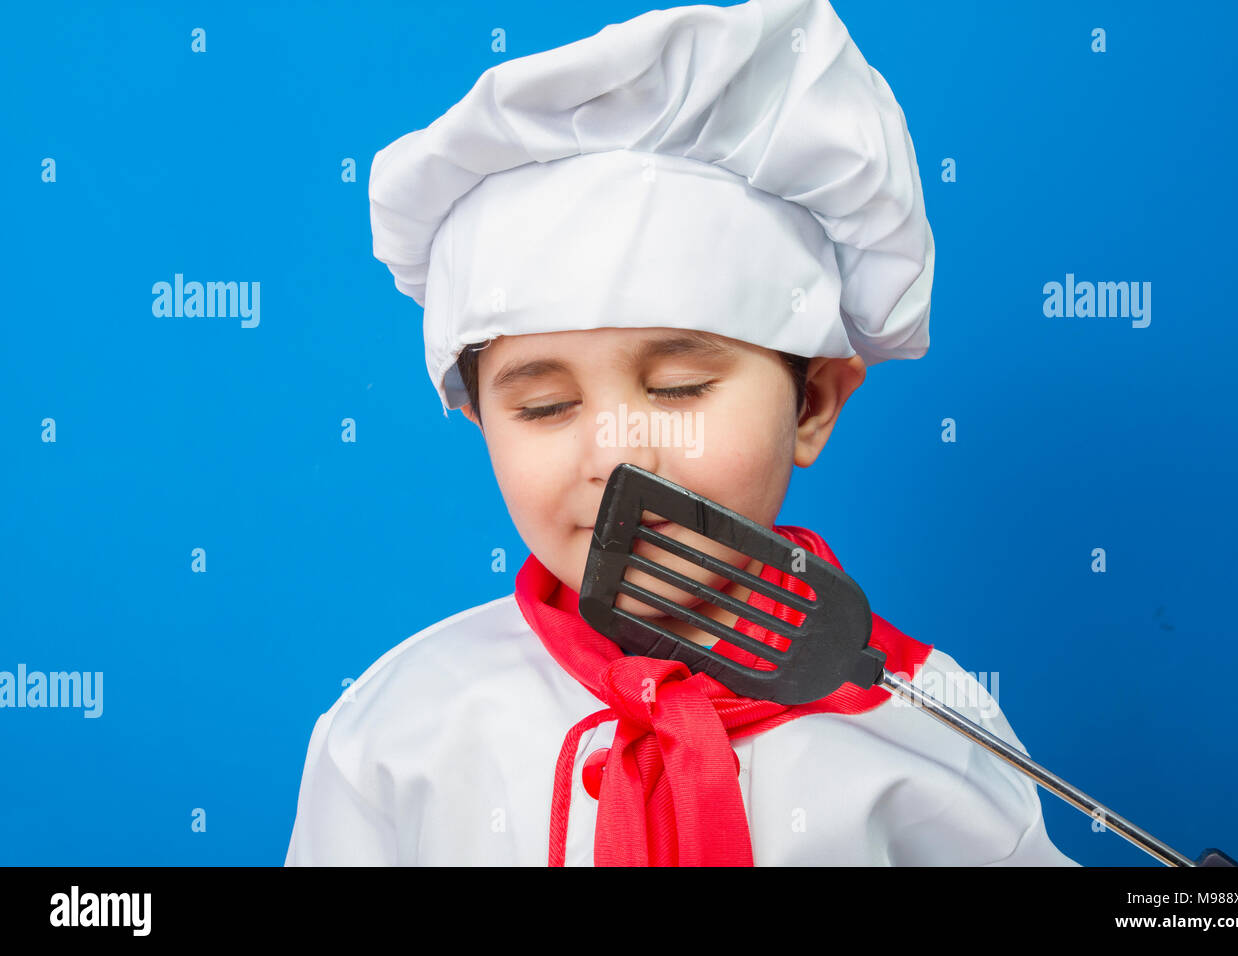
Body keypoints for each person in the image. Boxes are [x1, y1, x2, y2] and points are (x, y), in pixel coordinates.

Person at [285, 0, 1079, 866]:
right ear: (478, 422)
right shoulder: (395, 735)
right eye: (545, 407)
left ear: (812, 402)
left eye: (678, 387)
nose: (617, 452)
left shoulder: (930, 728)